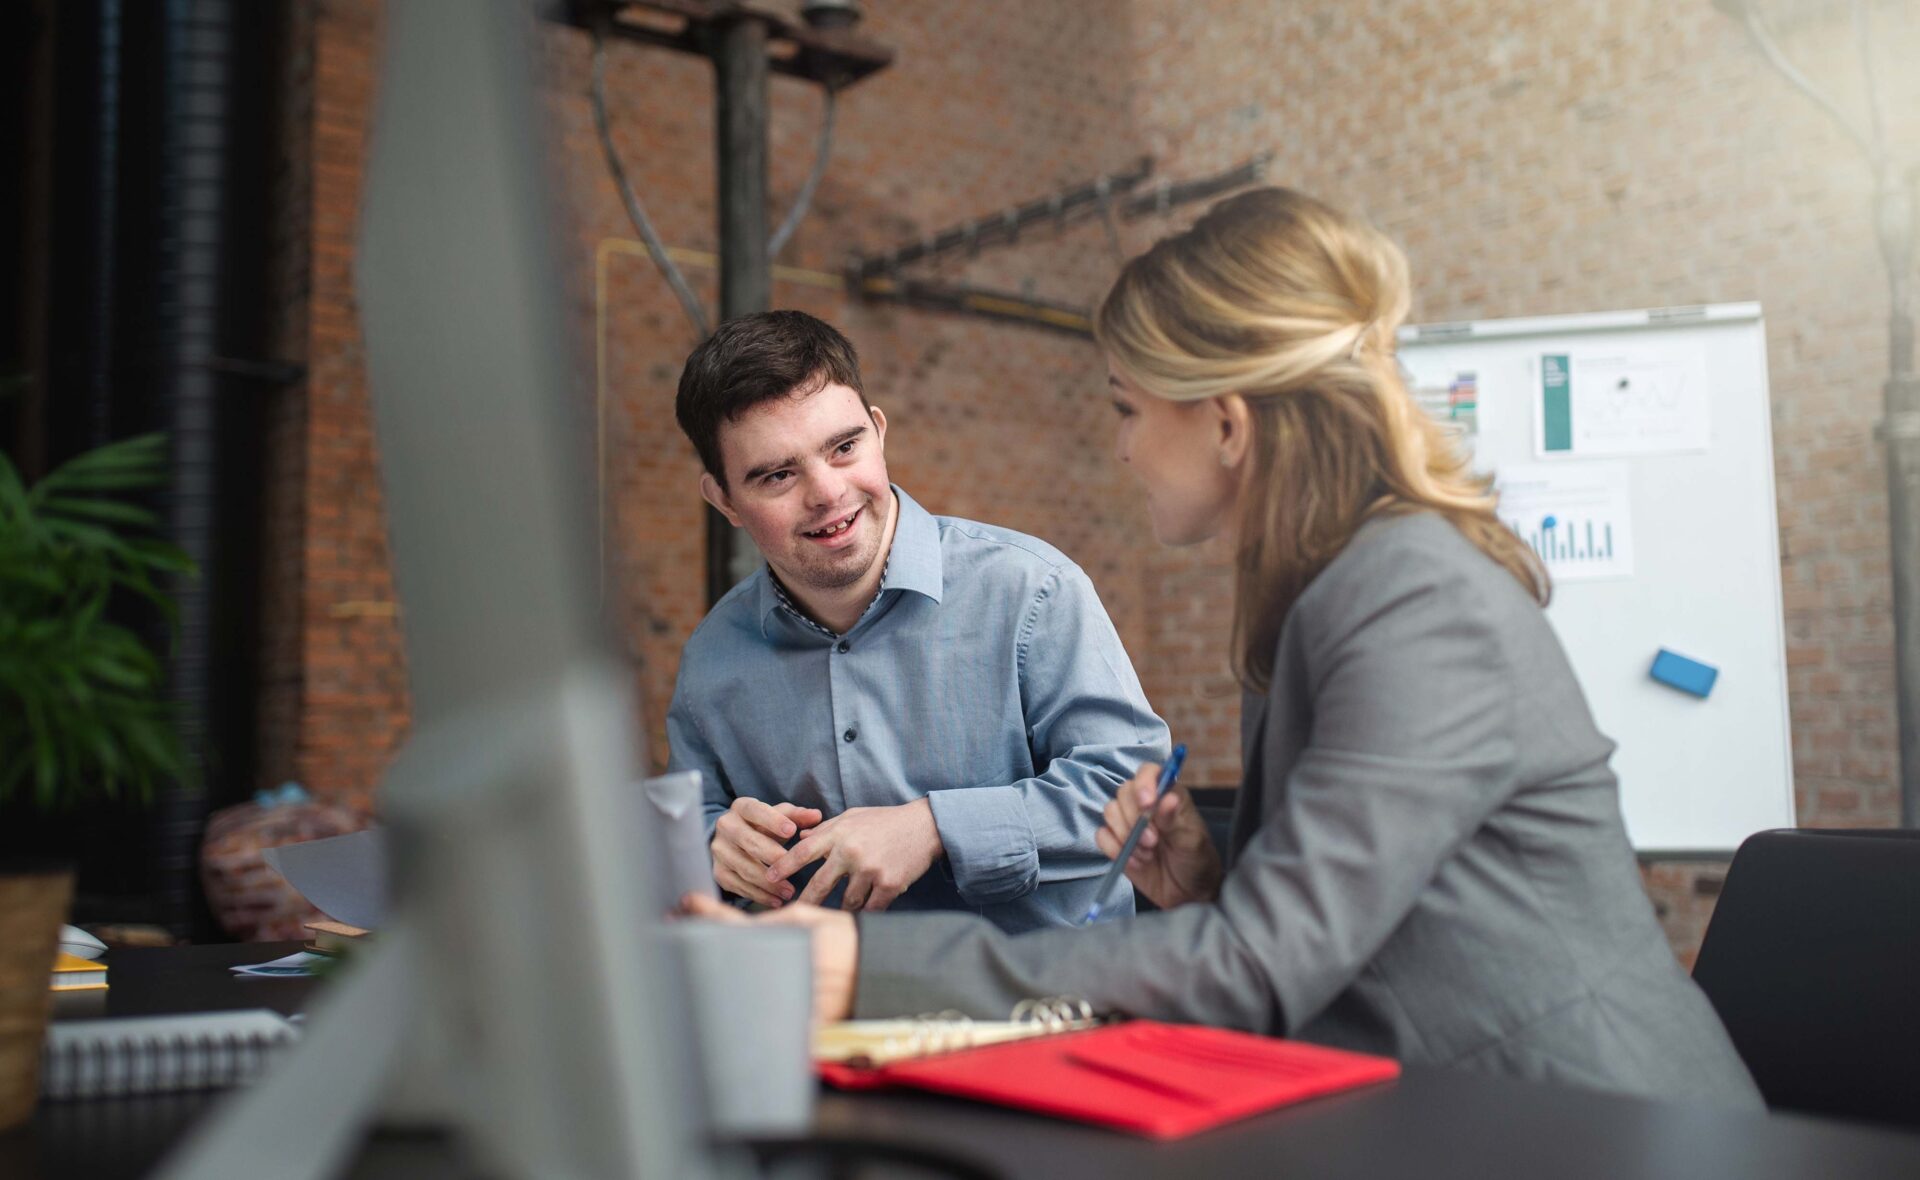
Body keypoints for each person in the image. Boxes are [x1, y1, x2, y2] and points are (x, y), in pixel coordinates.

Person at [685, 190, 1763, 1106]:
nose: (1121, 449)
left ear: (1228, 426)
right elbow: (1341, 929)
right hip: (1446, 1108)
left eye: (1127, 408)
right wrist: (1207, 882)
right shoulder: (1323, 593)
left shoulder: (1413, 600)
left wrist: (859, 963)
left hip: (1592, 1119)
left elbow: (1262, 963)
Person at [666, 310, 1170, 933]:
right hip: (830, 1019)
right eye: (778, 475)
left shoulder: (1030, 590)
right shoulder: (713, 658)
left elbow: (1135, 796)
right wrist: (714, 844)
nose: (826, 493)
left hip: (1043, 1005)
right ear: (723, 499)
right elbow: (689, 829)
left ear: (879, 432)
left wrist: (935, 827)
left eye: (844, 448)